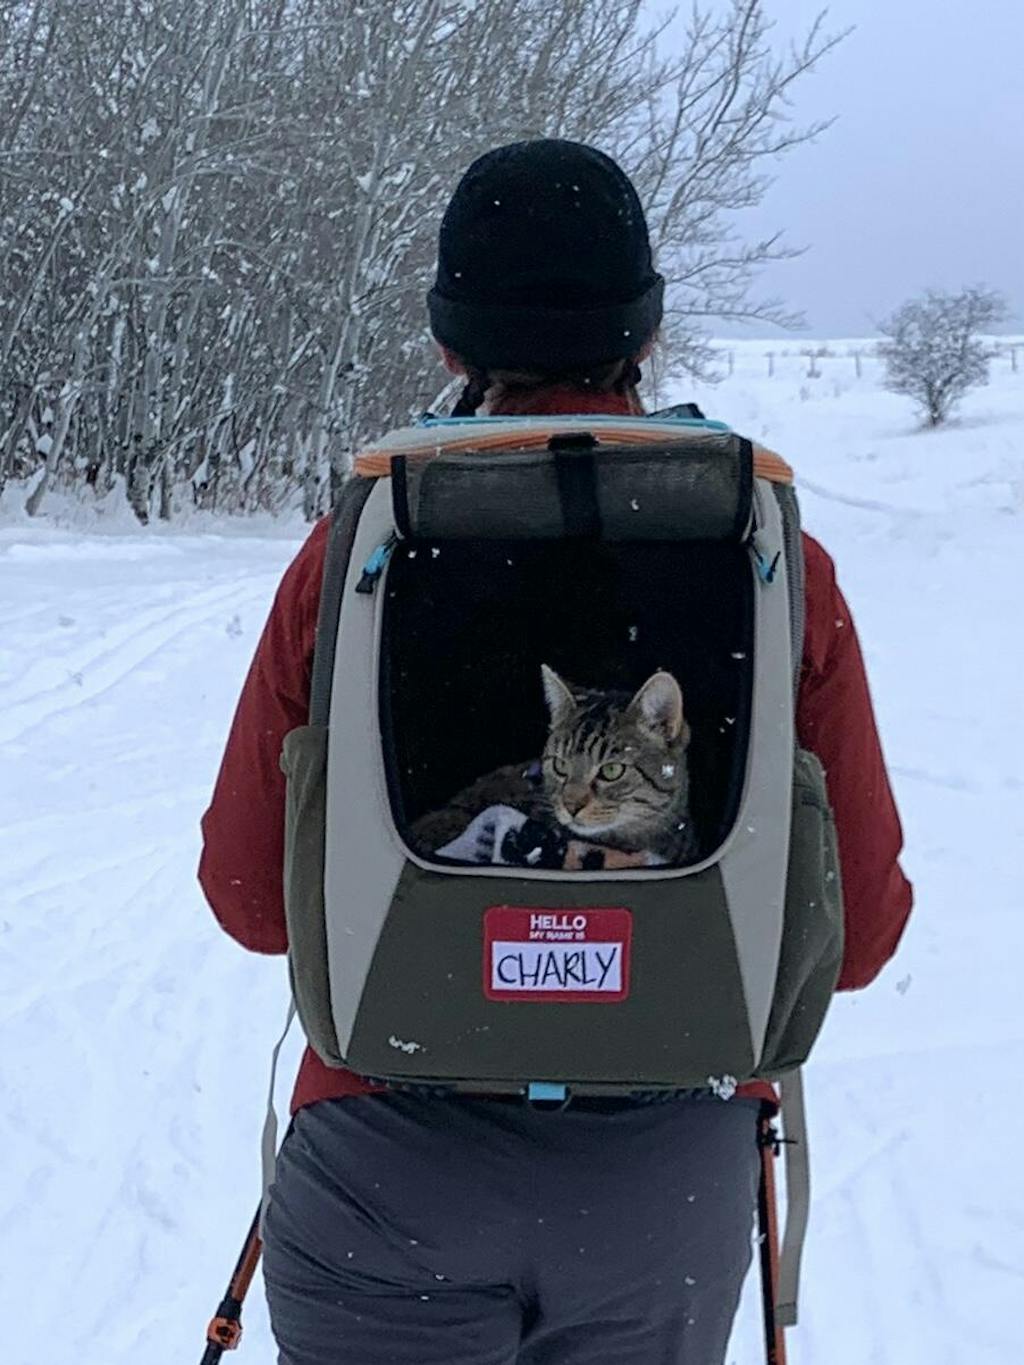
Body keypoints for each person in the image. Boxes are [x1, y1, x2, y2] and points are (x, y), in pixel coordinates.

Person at [199, 139, 912, 1365]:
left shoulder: (356, 544)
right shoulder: (772, 560)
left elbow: (253, 899)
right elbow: (858, 936)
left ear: (448, 344)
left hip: (383, 1168)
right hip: (660, 1194)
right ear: (645, 333)